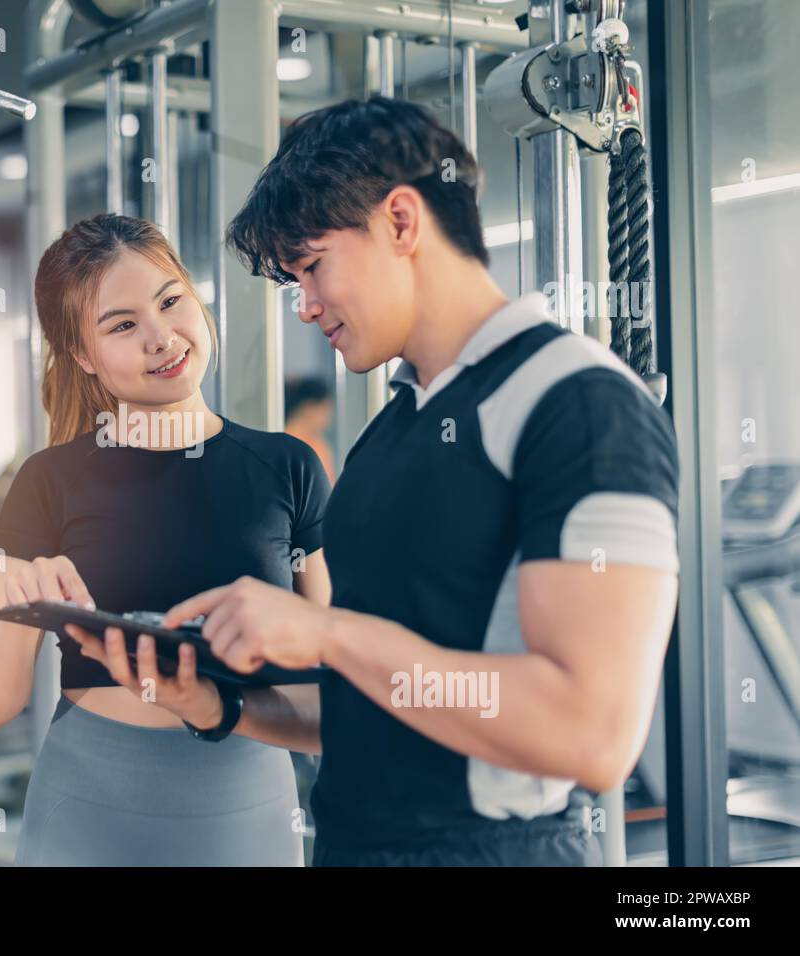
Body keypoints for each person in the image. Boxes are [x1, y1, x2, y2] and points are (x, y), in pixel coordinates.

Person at [74, 97, 679, 866]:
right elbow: (374, 700)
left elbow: (592, 735)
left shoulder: (580, 404)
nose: (306, 306)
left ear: (400, 222)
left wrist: (325, 632)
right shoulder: (394, 429)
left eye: (314, 266)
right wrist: (217, 703)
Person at [0, 213, 332, 866]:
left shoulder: (288, 467)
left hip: (248, 807)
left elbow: (339, 681)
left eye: (170, 301)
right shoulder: (49, 481)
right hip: (88, 806)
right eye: (122, 325)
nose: (162, 338)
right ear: (83, 355)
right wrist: (24, 608)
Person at [284, 377, 336, 482]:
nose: (328, 418)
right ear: (309, 408)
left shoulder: (319, 445)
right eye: (325, 410)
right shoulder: (285, 443)